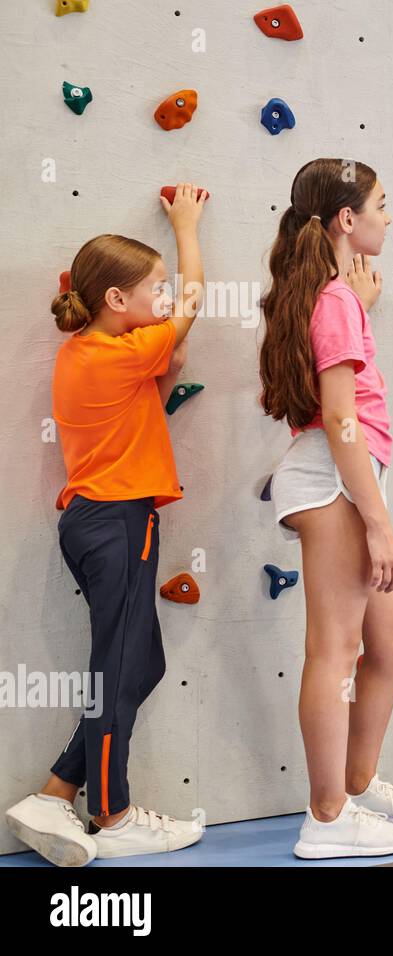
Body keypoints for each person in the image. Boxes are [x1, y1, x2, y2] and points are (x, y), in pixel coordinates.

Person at [4, 185, 207, 865]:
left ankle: (56, 790)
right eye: (153, 287)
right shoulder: (119, 353)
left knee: (136, 662)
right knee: (117, 665)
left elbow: (169, 360)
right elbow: (194, 305)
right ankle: (113, 815)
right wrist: (186, 226)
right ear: (116, 300)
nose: (163, 295)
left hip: (99, 521)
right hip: (118, 520)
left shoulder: (89, 355)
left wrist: (166, 348)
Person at [260, 158, 393, 859]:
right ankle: (326, 818)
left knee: (391, 641)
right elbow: (339, 421)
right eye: (381, 205)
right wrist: (380, 523)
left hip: (344, 480)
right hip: (335, 484)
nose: (388, 218)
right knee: (335, 652)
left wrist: (360, 310)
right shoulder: (333, 299)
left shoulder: (332, 297)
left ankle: (355, 786)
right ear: (346, 220)